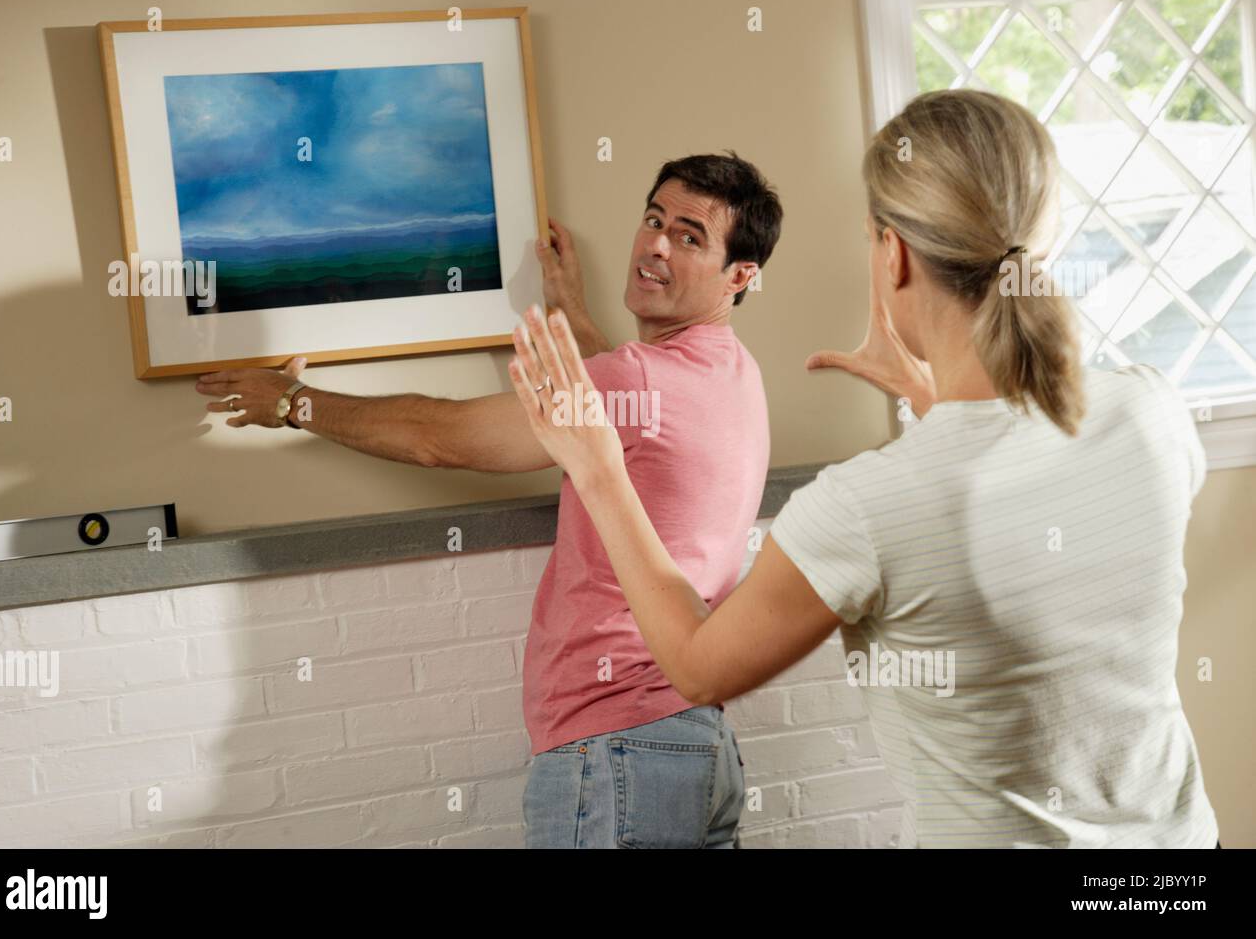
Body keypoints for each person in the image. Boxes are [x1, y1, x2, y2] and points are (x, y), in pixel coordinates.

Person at [509, 90, 1219, 848]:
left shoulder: (872, 504)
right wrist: (935, 393)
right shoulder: (1152, 411)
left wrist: (598, 466)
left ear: (895, 255)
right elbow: (1028, 472)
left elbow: (696, 666)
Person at [194, 153, 784, 848]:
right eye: (653, 219)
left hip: (616, 748)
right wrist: (572, 312)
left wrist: (294, 402)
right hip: (697, 747)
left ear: (740, 274)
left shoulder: (633, 378)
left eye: (690, 236)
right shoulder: (734, 372)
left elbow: (440, 440)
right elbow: (627, 403)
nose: (655, 242)